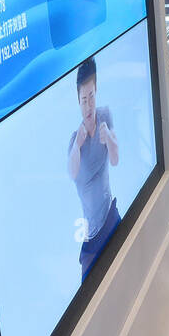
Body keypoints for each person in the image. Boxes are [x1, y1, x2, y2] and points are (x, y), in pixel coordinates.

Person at [67, 58, 121, 280]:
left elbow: (116, 159)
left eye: (91, 97)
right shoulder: (74, 140)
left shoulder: (105, 116)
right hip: (91, 235)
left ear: (96, 92)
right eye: (83, 100)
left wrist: (108, 137)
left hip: (111, 217)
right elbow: (72, 173)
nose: (88, 106)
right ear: (78, 102)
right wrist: (77, 147)